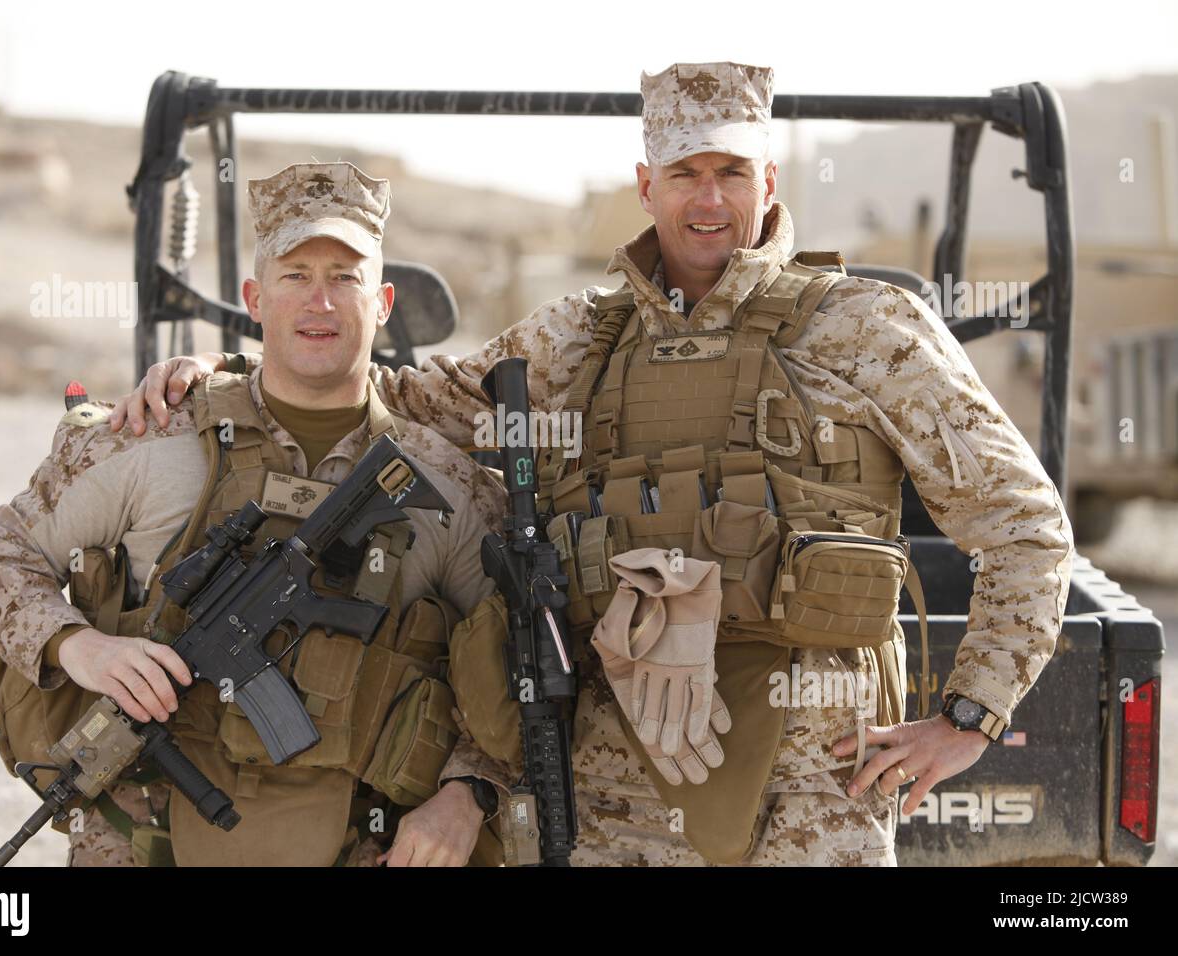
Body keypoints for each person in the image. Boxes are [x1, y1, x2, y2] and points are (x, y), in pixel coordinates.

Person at [113, 62, 1074, 866]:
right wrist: (230, 371)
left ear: (768, 184)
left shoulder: (870, 330)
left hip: (818, 763)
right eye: (684, 172)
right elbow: (417, 397)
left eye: (731, 173)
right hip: (625, 758)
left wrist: (970, 714)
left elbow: (1022, 524)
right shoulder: (581, 336)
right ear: (645, 184)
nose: (709, 199)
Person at [0, 160, 511, 867]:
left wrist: (467, 792)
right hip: (145, 841)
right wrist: (78, 645)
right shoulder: (154, 438)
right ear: (253, 296)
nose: (320, 302)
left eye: (345, 277)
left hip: (364, 843)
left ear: (384, 303)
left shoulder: (442, 481)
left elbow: (527, 658)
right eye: (295, 276)